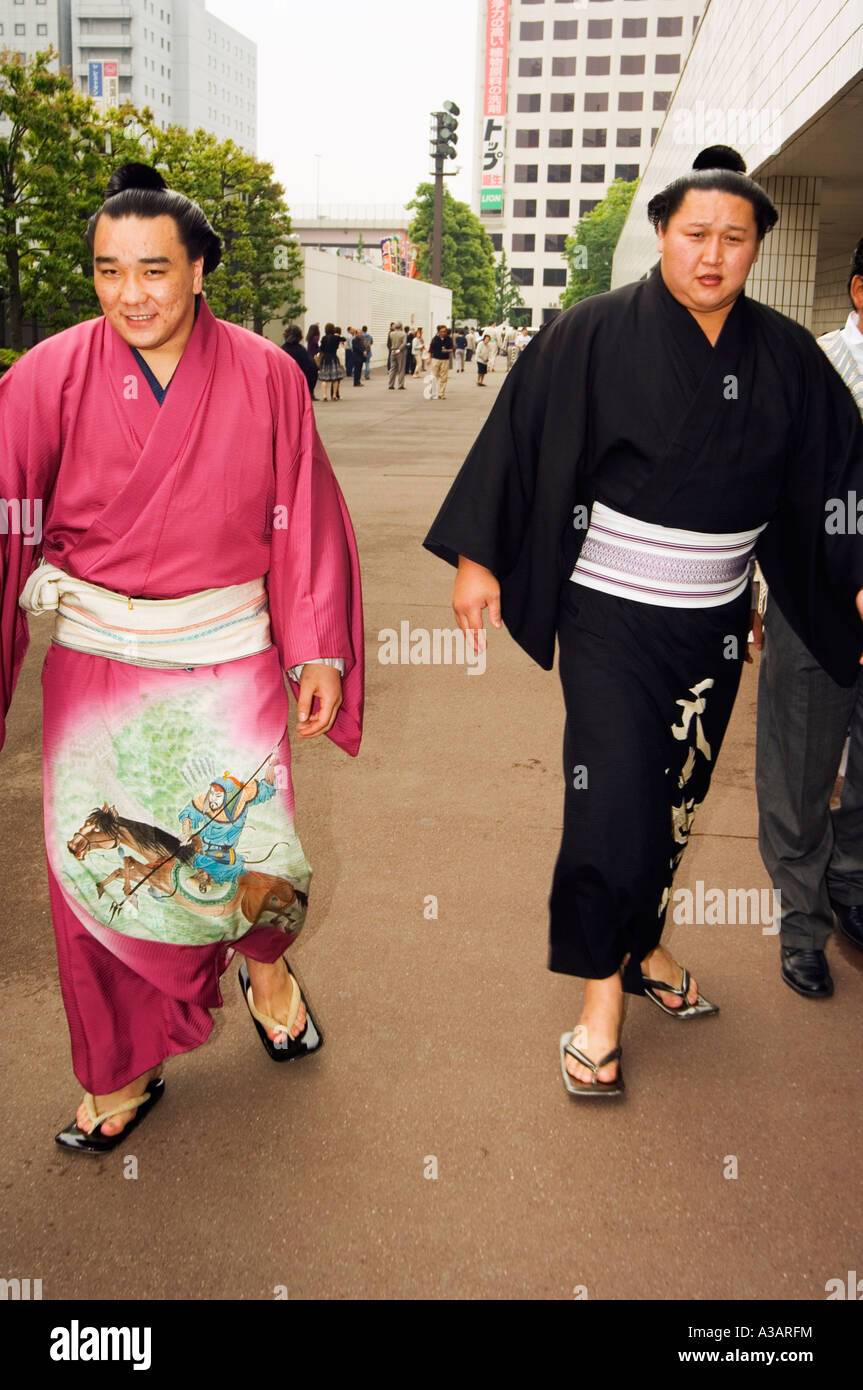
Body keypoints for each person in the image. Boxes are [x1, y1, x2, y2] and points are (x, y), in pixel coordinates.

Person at [424, 166, 863, 1097]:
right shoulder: (590, 331)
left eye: (733, 238)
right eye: (693, 233)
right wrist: (477, 557)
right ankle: (599, 999)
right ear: (661, 232)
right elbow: (518, 436)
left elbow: (836, 480)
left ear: (757, 247)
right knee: (611, 799)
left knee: (673, 801)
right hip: (609, 614)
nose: (711, 255)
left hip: (710, 619)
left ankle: (645, 943)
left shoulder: (787, 355)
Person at [0, 163, 364, 1151]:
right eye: (108, 271)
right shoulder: (43, 378)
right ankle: (119, 1068)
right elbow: (5, 527)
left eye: (153, 269)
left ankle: (267, 964)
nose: (130, 294)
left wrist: (316, 648)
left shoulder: (266, 374)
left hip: (228, 664)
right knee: (98, 885)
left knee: (253, 854)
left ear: (199, 268)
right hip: (99, 671)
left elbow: (303, 522)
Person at [756, 234, 863, 996]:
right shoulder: (810, 366)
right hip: (812, 601)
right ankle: (802, 930)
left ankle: (851, 886)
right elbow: (771, 491)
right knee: (799, 774)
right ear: (859, 291)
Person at [281, 324, 318, 399]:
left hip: (284, 387)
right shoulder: (302, 351)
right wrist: (310, 388)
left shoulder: (281, 351)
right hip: (299, 387)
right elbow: (312, 368)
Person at [317, 322, 344, 402]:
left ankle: (325, 395)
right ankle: (334, 395)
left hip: (325, 359)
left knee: (324, 379)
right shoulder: (336, 338)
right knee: (335, 378)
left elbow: (320, 348)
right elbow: (343, 339)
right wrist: (337, 335)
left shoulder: (324, 338)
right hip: (333, 358)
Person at [429, 324, 454, 400]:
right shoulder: (435, 339)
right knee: (434, 376)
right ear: (438, 332)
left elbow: (452, 349)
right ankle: (432, 393)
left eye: (445, 331)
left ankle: (441, 393)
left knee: (444, 377)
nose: (443, 333)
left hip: (445, 359)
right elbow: (430, 349)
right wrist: (429, 359)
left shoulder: (449, 339)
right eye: (442, 331)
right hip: (436, 359)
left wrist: (447, 350)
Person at [387, 320, 407, 389]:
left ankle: (390, 385)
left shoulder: (391, 333)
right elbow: (404, 343)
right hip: (400, 352)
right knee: (401, 369)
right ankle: (400, 385)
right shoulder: (403, 334)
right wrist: (399, 350)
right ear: (401, 326)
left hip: (392, 351)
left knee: (392, 368)